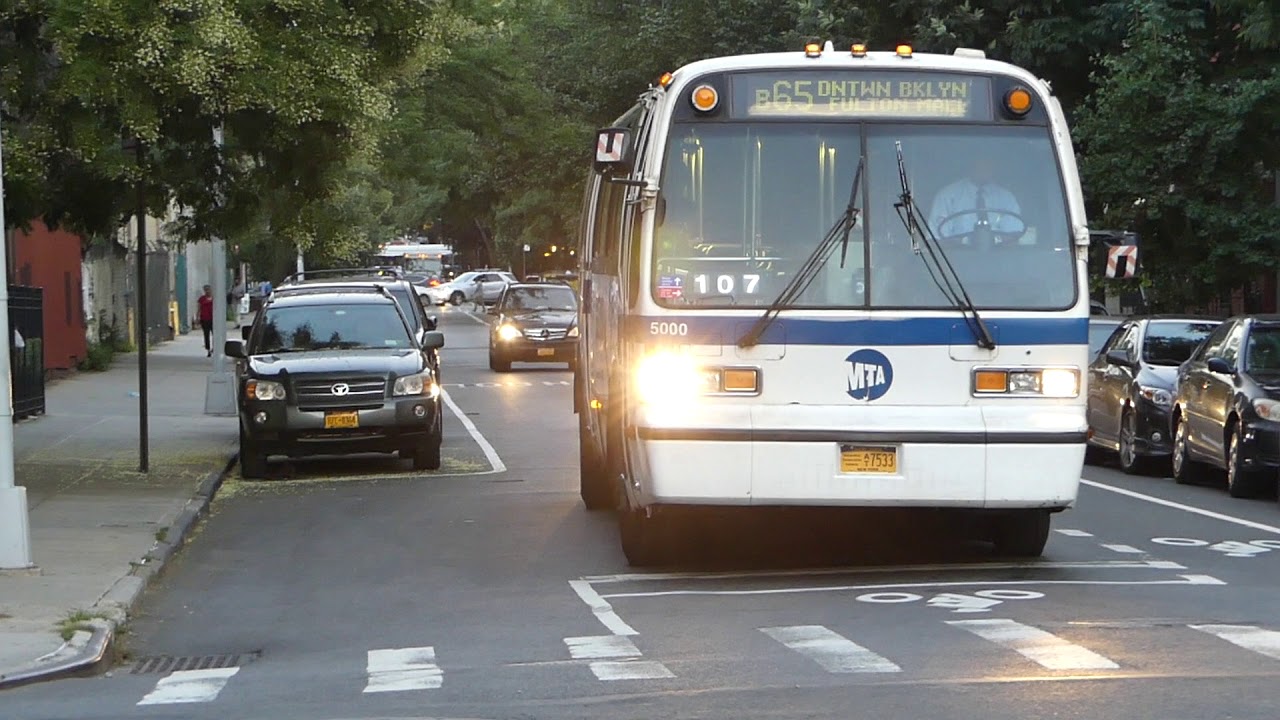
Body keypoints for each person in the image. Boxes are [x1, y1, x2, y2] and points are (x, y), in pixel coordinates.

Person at [928, 156, 1022, 240]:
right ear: (971, 163)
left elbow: (1013, 236)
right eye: (980, 162)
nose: (984, 166)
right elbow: (937, 240)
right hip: (955, 258)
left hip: (999, 257)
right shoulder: (947, 196)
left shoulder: (1007, 198)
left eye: (988, 162)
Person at [197, 285, 214, 357]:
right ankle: (208, 349)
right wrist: (197, 317)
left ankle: (215, 347)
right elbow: (199, 308)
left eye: (208, 290)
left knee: (215, 335)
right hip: (204, 318)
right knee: (206, 335)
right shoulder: (202, 299)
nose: (207, 291)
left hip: (213, 319)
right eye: (206, 290)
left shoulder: (214, 298)